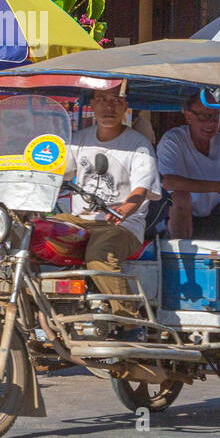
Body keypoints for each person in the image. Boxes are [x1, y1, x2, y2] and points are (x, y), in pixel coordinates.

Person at [58, 87, 160, 319]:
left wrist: (124, 209)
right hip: (81, 221)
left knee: (99, 255)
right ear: (92, 105)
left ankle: (130, 320)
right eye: (103, 100)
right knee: (36, 233)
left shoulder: (139, 145)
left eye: (116, 101)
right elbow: (56, 170)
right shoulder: (80, 139)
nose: (109, 107)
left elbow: (142, 189)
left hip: (123, 226)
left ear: (126, 107)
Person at [157, 94, 220, 241]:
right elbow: (169, 182)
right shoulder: (173, 140)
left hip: (213, 216)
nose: (210, 124)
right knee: (181, 197)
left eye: (215, 117)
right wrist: (217, 187)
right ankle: (181, 255)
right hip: (175, 217)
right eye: (203, 117)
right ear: (188, 116)